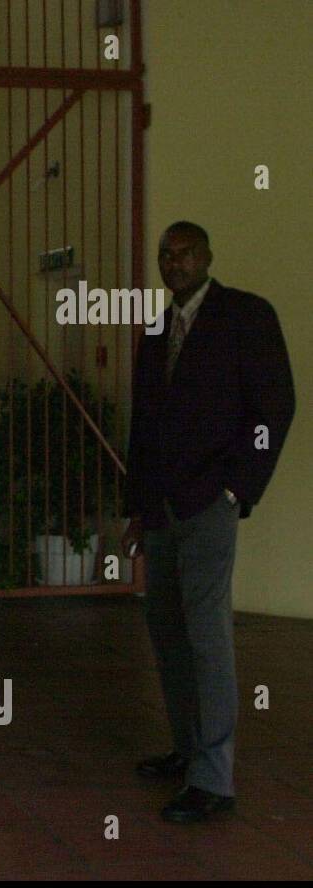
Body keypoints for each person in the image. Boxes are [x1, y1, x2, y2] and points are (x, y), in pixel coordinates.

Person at [122, 221, 295, 823]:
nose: (175, 262)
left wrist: (236, 489)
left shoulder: (246, 316)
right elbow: (143, 423)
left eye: (186, 251)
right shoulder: (154, 326)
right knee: (167, 632)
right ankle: (189, 748)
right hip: (162, 508)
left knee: (208, 638)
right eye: (166, 255)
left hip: (209, 506)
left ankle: (214, 777)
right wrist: (137, 507)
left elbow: (276, 406)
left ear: (208, 255)